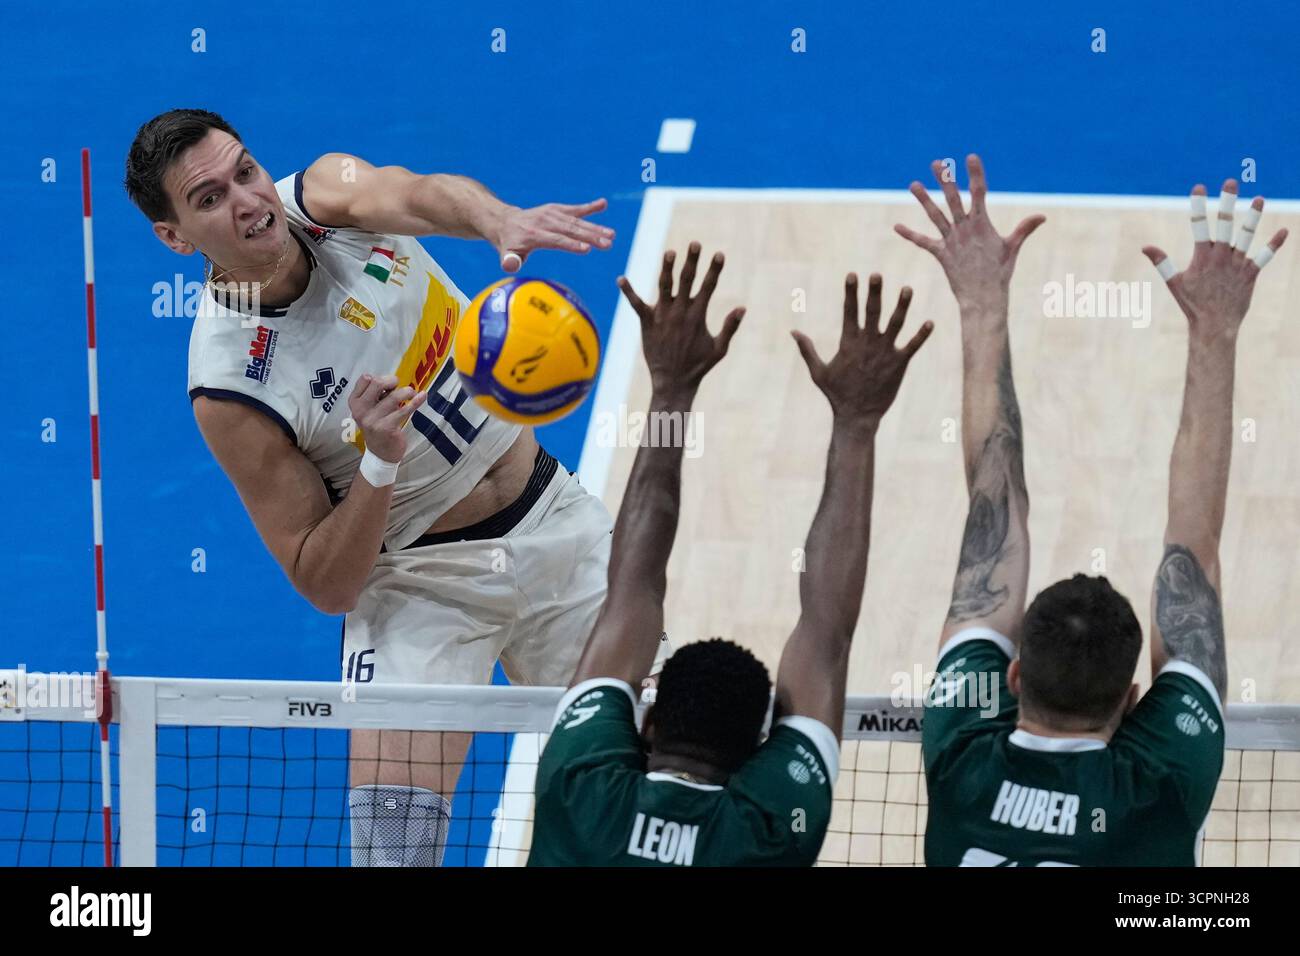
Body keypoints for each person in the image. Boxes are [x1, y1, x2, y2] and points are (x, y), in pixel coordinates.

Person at [124, 108, 668, 866]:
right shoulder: (230, 387)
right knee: (394, 849)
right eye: (209, 199)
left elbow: (419, 193)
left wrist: (497, 219)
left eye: (245, 172)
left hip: (555, 526)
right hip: (417, 586)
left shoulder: (327, 196)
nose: (248, 201)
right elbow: (325, 581)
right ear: (175, 237)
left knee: (667, 785)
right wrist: (379, 462)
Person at [904, 156, 1286, 865]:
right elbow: (1194, 549)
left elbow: (996, 510)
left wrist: (980, 303)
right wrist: (1216, 331)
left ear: (1014, 678)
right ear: (1133, 702)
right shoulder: (1163, 783)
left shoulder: (960, 760)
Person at [528, 242, 932, 865]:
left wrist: (670, 389)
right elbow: (827, 633)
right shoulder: (772, 828)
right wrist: (857, 423)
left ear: (648, 723)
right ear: (757, 752)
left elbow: (633, 587)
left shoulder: (579, 787)